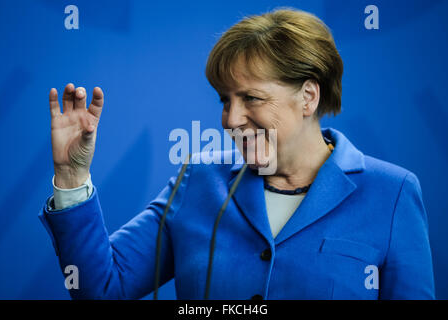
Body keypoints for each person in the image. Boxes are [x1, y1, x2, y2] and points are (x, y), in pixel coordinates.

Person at [39, 8, 435, 299]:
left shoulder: (392, 193)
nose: (231, 118)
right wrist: (72, 177)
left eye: (251, 98)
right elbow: (104, 287)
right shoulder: (197, 182)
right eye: (225, 100)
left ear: (308, 97)